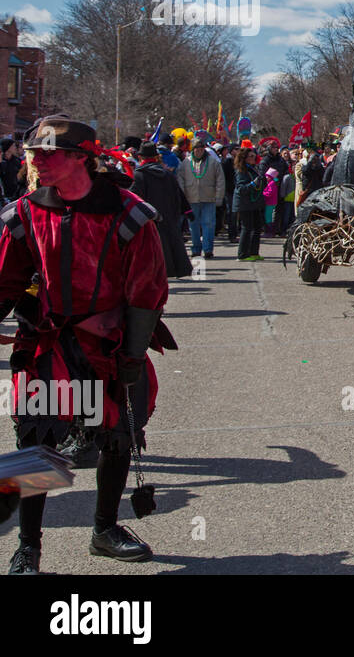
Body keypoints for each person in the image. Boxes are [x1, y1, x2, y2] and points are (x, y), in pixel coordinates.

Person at [1, 115, 174, 573]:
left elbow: (147, 290)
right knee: (36, 443)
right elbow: (5, 283)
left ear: (82, 158)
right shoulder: (25, 213)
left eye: (47, 153)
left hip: (107, 344)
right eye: (33, 153)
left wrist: (133, 356)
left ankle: (104, 529)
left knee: (116, 438)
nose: (35, 160)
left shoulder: (129, 213)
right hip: (47, 343)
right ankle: (29, 548)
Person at [129, 144, 192, 279]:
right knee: (170, 244)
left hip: (149, 218)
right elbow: (179, 195)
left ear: (140, 157)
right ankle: (171, 270)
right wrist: (186, 211)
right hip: (169, 216)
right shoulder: (168, 174)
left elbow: (134, 199)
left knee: (152, 248)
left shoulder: (139, 175)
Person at [177, 140, 225, 261]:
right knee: (193, 225)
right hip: (191, 198)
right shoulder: (186, 163)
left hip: (209, 198)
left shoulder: (213, 162)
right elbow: (180, 180)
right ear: (192, 149)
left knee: (208, 224)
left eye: (201, 148)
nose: (199, 151)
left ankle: (208, 249)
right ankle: (195, 249)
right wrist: (183, 197)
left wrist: (219, 197)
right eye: (196, 148)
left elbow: (220, 181)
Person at [232, 147, 266, 262]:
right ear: (244, 158)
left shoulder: (253, 168)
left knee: (257, 227)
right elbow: (241, 189)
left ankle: (254, 252)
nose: (253, 158)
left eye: (254, 156)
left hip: (254, 203)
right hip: (244, 203)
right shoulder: (241, 171)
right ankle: (242, 254)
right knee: (247, 228)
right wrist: (253, 183)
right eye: (250, 156)